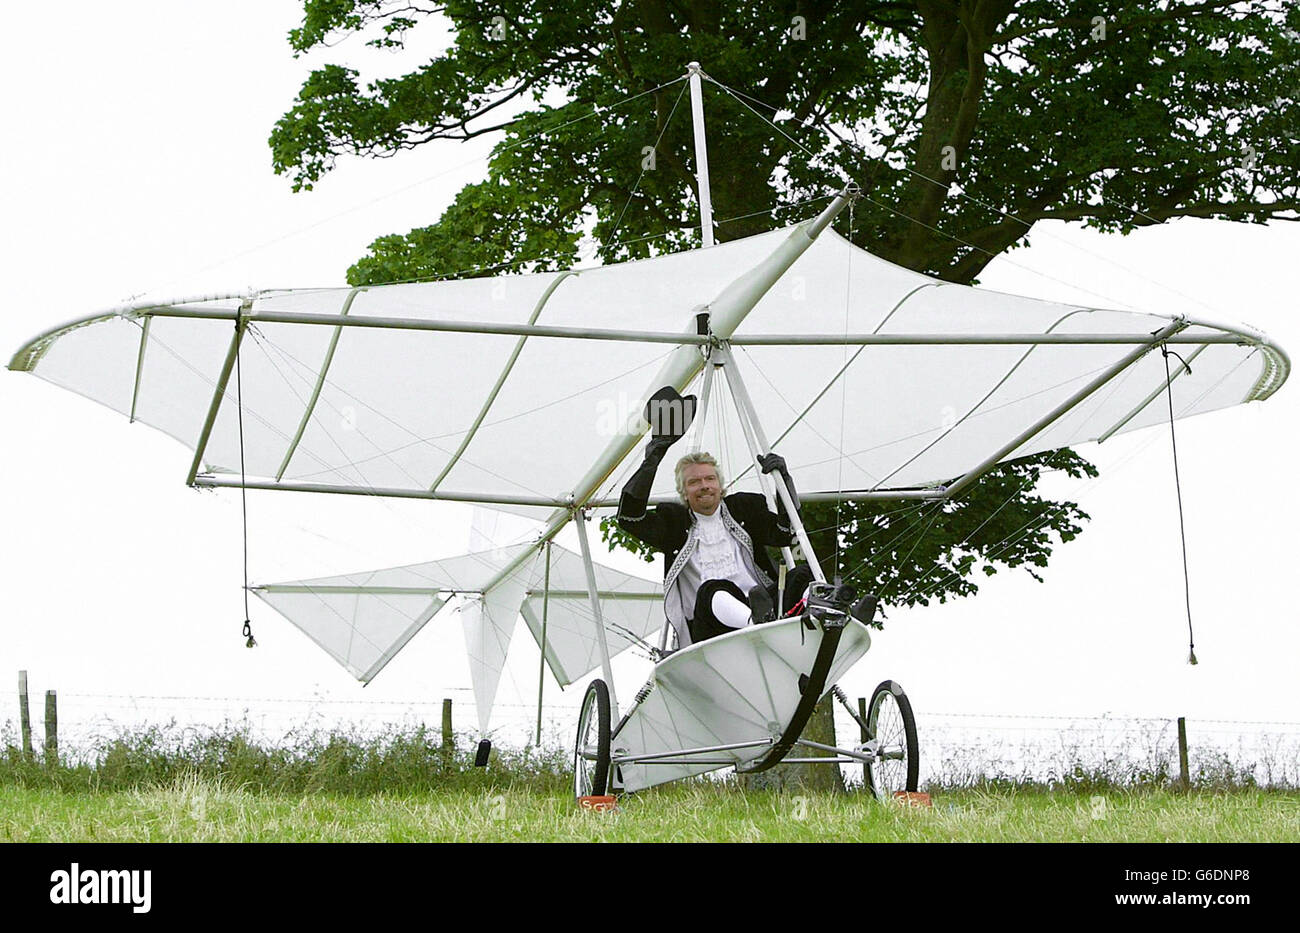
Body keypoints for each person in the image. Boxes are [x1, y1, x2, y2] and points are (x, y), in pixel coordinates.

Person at [616, 388, 814, 649]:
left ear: (721, 486)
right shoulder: (674, 522)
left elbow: (785, 533)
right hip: (711, 626)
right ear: (684, 493)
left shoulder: (743, 508)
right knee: (713, 589)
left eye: (710, 479)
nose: (704, 486)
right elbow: (629, 518)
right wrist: (655, 454)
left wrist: (784, 481)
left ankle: (831, 614)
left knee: (801, 574)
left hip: (767, 603)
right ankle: (756, 621)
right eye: (694, 482)